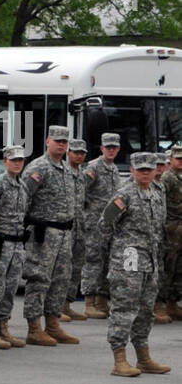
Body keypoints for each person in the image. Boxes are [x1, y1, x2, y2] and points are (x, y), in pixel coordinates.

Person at [104, 151, 170, 376]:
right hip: (128, 262)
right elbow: (104, 223)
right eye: (140, 169)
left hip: (150, 261)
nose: (145, 173)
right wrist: (117, 252)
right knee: (124, 309)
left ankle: (143, 357)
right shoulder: (124, 194)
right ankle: (119, 359)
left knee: (145, 310)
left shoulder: (157, 192)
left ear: (155, 170)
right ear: (132, 170)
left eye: (149, 169)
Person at [22, 125, 79, 346]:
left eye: (64, 142)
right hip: (43, 233)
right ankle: (34, 327)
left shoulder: (65, 168)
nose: (61, 145)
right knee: (39, 278)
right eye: (57, 141)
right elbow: (23, 198)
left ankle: (53, 324)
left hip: (64, 232)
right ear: (47, 142)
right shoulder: (38, 168)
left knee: (61, 279)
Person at [0, 146, 30, 349]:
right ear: (5, 161)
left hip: (18, 243)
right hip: (0, 243)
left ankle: (4, 325)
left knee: (11, 287)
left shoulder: (23, 186)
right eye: (13, 160)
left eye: (20, 160)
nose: (17, 163)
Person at [80, 132, 122, 318]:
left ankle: (102, 301)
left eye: (114, 147)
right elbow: (80, 190)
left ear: (118, 149)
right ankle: (89, 302)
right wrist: (86, 212)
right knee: (93, 261)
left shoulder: (113, 169)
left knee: (107, 261)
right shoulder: (93, 167)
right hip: (94, 224)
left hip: (110, 224)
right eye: (108, 147)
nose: (111, 150)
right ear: (102, 148)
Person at [63, 139, 89, 320]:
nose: (79, 155)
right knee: (62, 268)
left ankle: (67, 304)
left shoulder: (82, 175)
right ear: (68, 153)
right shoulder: (63, 172)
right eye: (75, 152)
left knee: (76, 267)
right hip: (65, 227)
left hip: (80, 227)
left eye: (82, 153)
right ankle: (55, 307)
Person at [157, 147, 182, 321]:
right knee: (167, 267)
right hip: (171, 227)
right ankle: (159, 304)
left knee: (178, 268)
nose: (180, 161)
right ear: (171, 160)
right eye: (178, 158)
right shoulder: (168, 177)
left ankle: (173, 303)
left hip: (179, 228)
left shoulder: (179, 178)